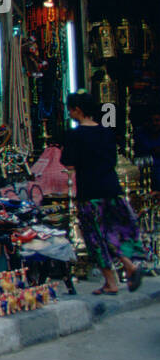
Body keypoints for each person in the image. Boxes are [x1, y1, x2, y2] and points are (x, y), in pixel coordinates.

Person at [62, 92, 144, 294]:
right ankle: (128, 266)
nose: (69, 112)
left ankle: (112, 281)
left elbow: (68, 162)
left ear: (78, 110)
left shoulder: (75, 135)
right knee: (111, 233)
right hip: (112, 188)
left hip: (90, 192)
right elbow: (113, 161)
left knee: (95, 238)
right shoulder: (106, 132)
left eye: (70, 109)